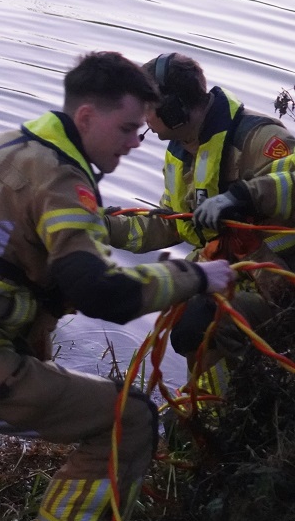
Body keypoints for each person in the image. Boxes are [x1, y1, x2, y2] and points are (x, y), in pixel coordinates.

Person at [0, 51, 236, 521]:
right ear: (87, 117)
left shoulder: (1, 147)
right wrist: (195, 275)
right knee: (130, 418)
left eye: (142, 130)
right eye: (128, 128)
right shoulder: (64, 178)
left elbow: (11, 263)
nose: (136, 143)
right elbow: (102, 294)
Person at [106, 53, 295, 398]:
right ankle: (209, 408)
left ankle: (237, 413)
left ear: (174, 108)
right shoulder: (184, 148)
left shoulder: (258, 140)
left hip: (283, 285)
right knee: (183, 316)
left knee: (207, 321)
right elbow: (173, 224)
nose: (141, 118)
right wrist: (104, 228)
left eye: (148, 108)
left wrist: (243, 196)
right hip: (235, 276)